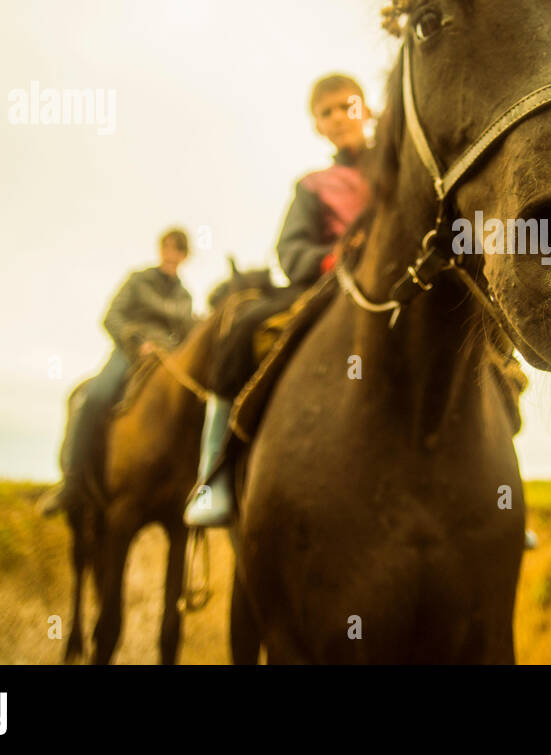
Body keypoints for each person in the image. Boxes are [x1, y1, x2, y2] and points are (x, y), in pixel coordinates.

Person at [182, 75, 372, 527]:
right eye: (326, 112)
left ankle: (502, 489)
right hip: (328, 286)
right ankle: (216, 474)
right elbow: (291, 251)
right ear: (316, 126)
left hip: (407, 279)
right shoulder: (312, 186)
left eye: (347, 105)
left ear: (366, 109)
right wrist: (332, 258)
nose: (339, 116)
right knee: (244, 326)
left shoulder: (405, 164)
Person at [39, 228, 196, 515]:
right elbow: (111, 317)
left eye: (179, 250)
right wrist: (137, 343)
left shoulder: (185, 297)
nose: (173, 255)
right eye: (169, 248)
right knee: (95, 397)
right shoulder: (138, 281)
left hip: (167, 362)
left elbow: (187, 334)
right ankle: (71, 483)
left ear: (185, 257)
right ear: (161, 249)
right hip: (129, 354)